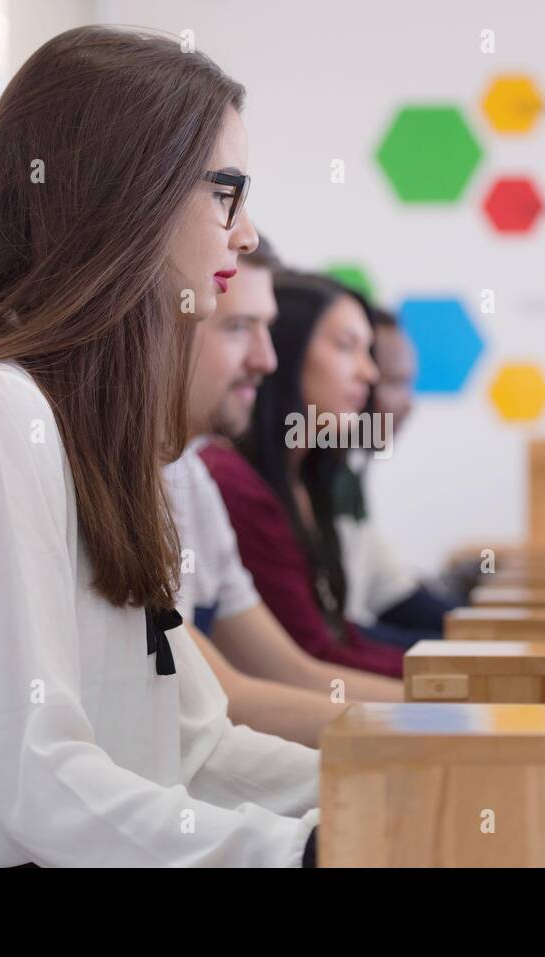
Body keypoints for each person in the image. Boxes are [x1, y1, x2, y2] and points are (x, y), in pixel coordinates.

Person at [0, 27, 317, 867]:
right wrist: (306, 851)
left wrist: (397, 789)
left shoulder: (98, 436)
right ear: (131, 193)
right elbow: (43, 782)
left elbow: (196, 751)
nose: (246, 233)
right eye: (225, 192)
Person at [166, 237, 402, 747]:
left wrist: (469, 705)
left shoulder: (197, 482)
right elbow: (237, 697)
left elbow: (287, 670)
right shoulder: (223, 480)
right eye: (238, 328)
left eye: (265, 330)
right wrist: (459, 715)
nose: (265, 360)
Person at [202, 273, 407, 677]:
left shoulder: (313, 477)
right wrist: (466, 685)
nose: (370, 374)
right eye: (347, 348)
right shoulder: (231, 482)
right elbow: (310, 659)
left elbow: (337, 636)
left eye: (368, 352)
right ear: (288, 351)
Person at [330, 305, 457, 649]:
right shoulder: (313, 485)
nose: (410, 403)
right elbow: (330, 639)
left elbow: (392, 592)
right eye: (395, 382)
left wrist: (495, 637)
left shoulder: (347, 478)